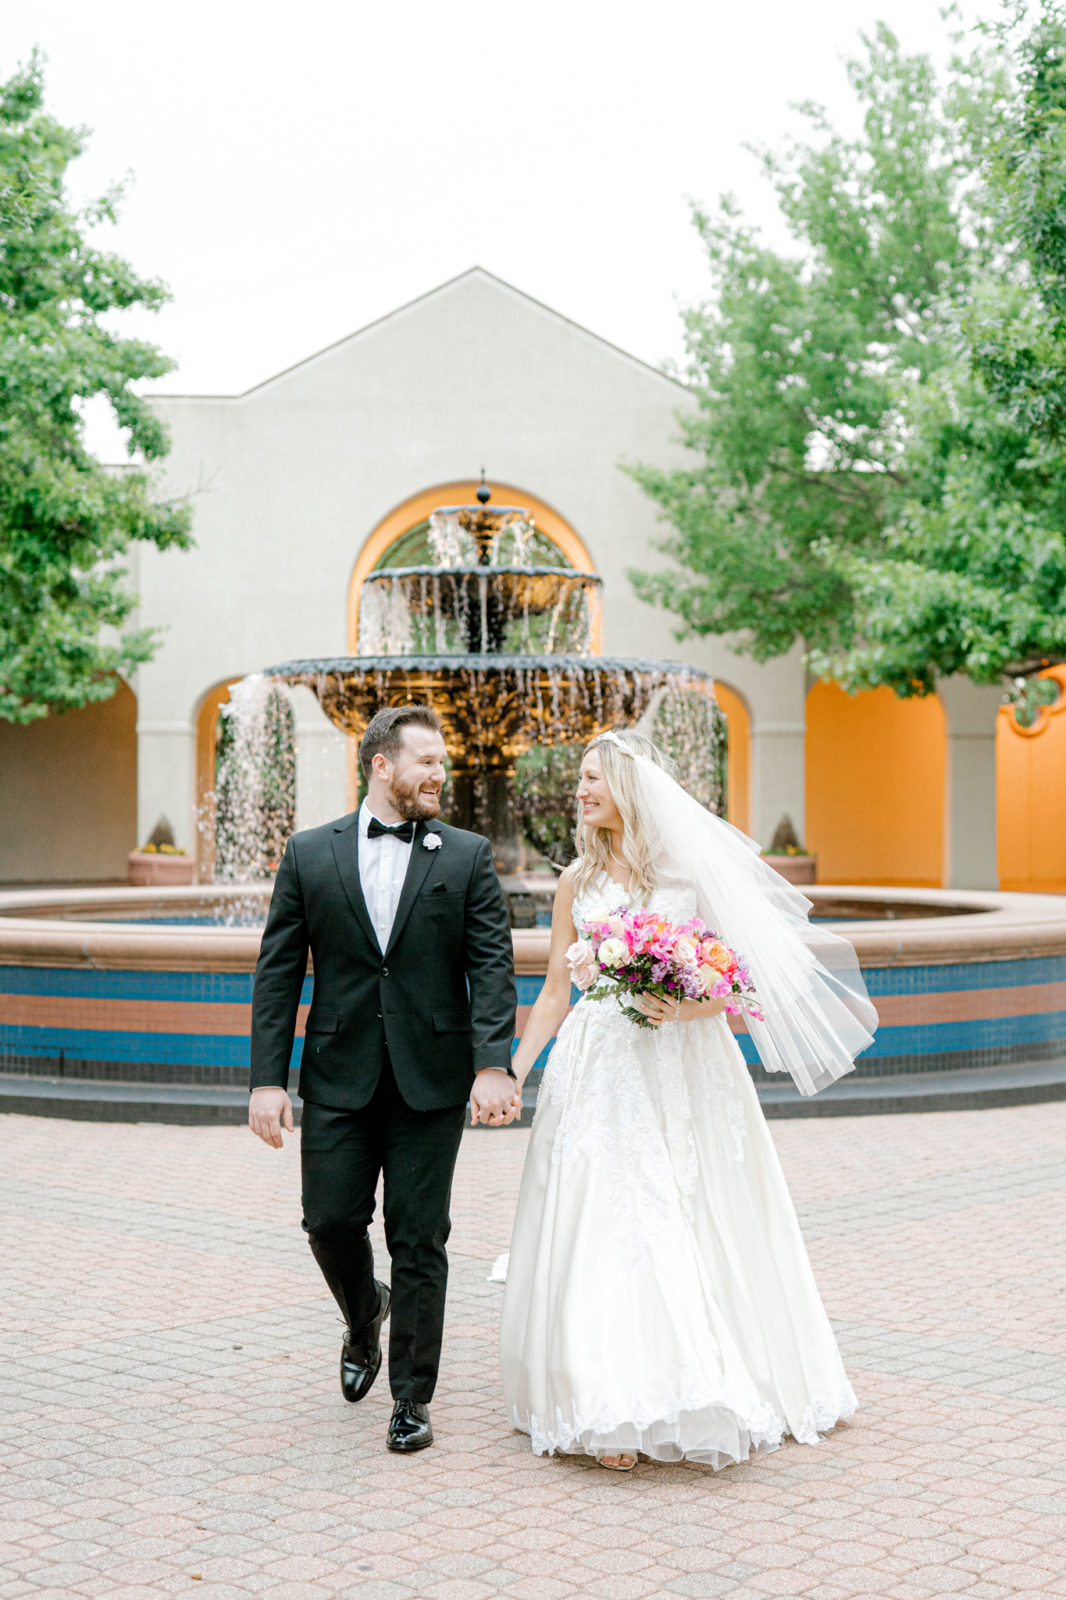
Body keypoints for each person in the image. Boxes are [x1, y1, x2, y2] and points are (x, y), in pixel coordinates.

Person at [499, 728, 878, 1471]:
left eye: (591, 778)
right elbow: (550, 995)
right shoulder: (576, 878)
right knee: (603, 1214)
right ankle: (608, 1396)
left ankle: (702, 1378)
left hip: (683, 1067)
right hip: (601, 1065)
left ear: (627, 786)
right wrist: (514, 1070)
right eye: (579, 779)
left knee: (689, 1210)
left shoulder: (690, 873)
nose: (580, 790)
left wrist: (691, 1007)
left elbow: (743, 981)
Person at [249, 704, 519, 1454]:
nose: (440, 774)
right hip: (336, 1075)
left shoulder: (465, 855)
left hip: (432, 1080)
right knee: (328, 1220)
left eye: (442, 762)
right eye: (427, 761)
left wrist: (493, 1062)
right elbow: (277, 975)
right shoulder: (309, 854)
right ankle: (364, 1315)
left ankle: (411, 1398)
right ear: (382, 766)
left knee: (419, 1235)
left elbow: (491, 965)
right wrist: (266, 1079)